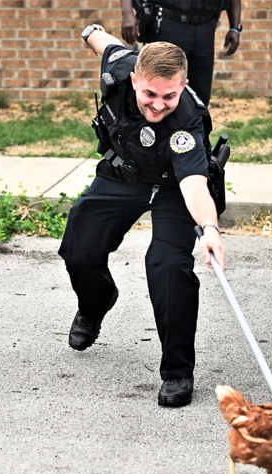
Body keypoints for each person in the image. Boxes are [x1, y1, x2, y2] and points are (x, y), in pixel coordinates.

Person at [59, 25, 226, 407]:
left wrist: (211, 228)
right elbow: (107, 44)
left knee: (168, 267)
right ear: (134, 78)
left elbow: (194, 185)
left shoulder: (186, 123)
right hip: (124, 174)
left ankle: (178, 372)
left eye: (169, 95)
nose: (157, 104)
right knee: (80, 247)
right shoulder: (121, 68)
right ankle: (95, 303)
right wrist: (91, 30)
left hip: (173, 187)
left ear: (183, 86)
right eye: (149, 93)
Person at [120, 0, 241, 106]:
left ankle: (194, 131)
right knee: (160, 91)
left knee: (200, 96)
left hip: (206, 26)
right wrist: (127, 13)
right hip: (167, 22)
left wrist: (235, 27)